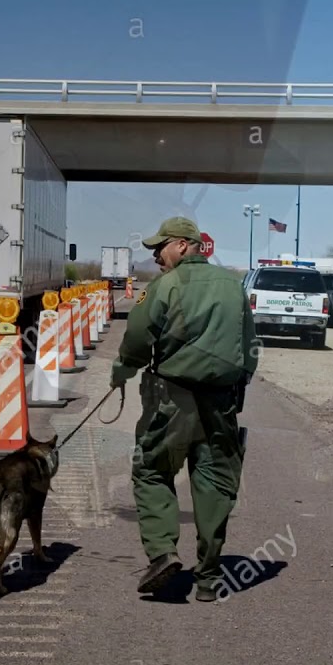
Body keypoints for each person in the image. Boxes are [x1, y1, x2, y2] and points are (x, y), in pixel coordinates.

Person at [110, 216, 260, 602]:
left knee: (152, 469)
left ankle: (162, 554)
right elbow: (250, 347)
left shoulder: (164, 286)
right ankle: (208, 578)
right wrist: (236, 381)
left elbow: (138, 340)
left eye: (160, 248)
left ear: (181, 245)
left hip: (173, 399)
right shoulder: (233, 285)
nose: (156, 256)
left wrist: (121, 372)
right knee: (214, 482)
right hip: (222, 402)